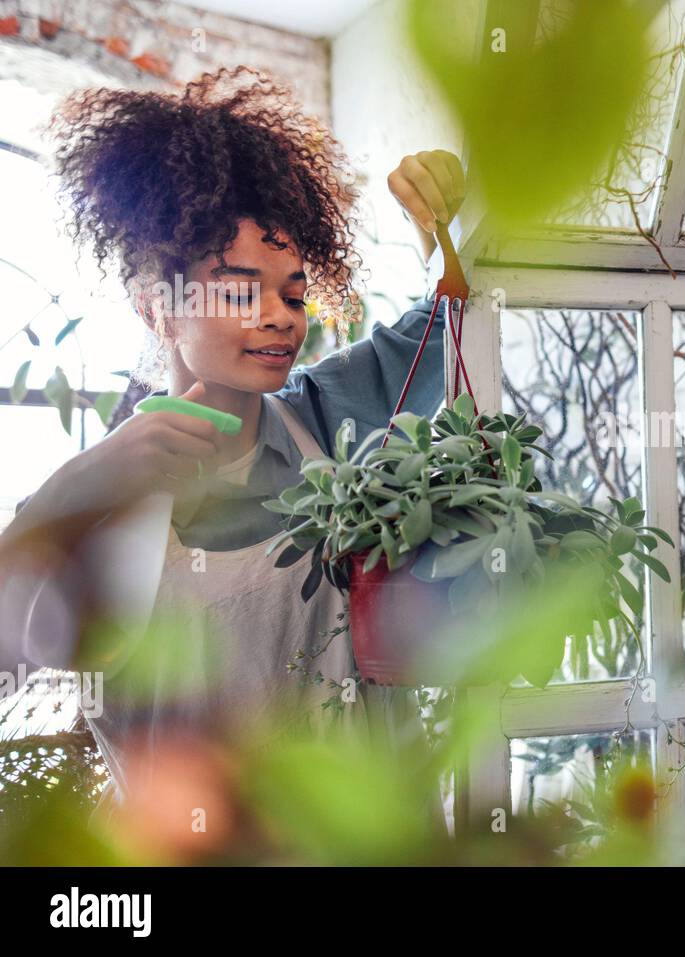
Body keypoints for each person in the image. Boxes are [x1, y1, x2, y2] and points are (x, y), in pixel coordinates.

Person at [0, 66, 466, 809]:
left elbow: (458, 326)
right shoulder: (99, 508)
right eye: (241, 291)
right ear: (158, 306)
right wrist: (81, 481)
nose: (281, 317)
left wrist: (441, 234)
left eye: (293, 292)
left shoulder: (319, 418)